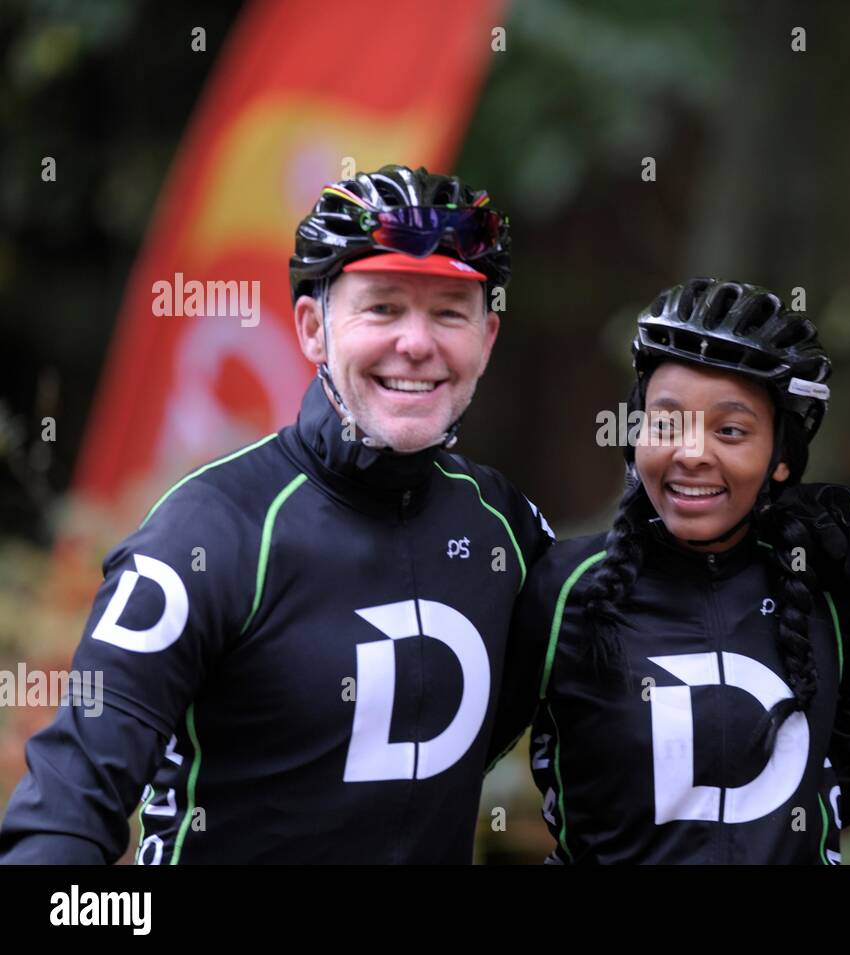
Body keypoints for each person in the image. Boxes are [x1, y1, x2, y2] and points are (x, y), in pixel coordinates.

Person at [0, 164, 553, 863]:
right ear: (311, 328)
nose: (417, 342)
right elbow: (65, 813)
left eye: (449, 311)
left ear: (487, 338)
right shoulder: (208, 531)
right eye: (382, 307)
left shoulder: (508, 528)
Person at [495, 278, 850, 863]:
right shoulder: (561, 589)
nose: (692, 453)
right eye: (666, 423)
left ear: (781, 458)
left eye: (731, 431)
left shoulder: (825, 588)